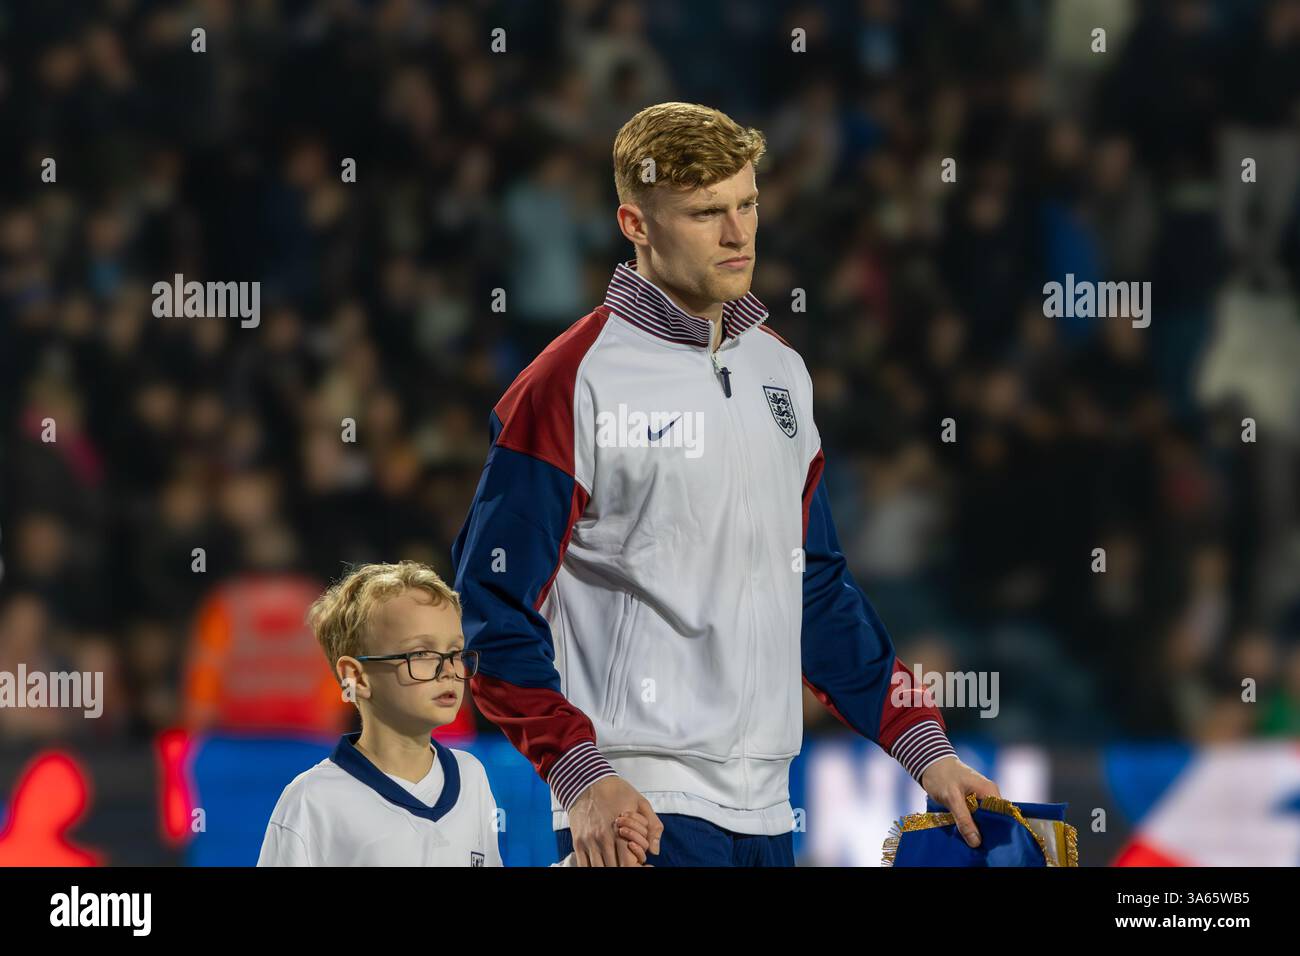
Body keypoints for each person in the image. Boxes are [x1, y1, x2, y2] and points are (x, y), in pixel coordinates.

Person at [452, 102, 999, 867]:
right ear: (635, 224)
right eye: (707, 213)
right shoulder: (569, 384)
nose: (739, 234)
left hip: (770, 809)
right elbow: (490, 606)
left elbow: (817, 592)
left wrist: (927, 750)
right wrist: (581, 777)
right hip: (639, 808)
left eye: (746, 204)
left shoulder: (781, 370)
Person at [256, 560, 652, 866]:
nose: (449, 669)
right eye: (422, 654)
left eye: (455, 651)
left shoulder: (471, 776)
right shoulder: (312, 800)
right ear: (355, 677)